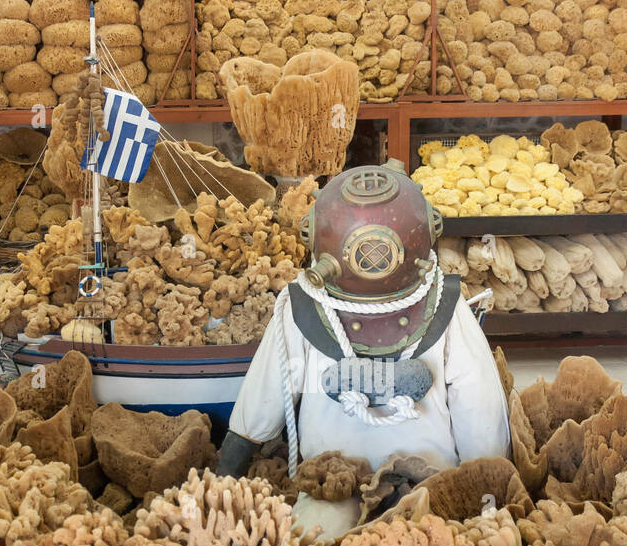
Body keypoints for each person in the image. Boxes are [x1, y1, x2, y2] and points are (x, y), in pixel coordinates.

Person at [217, 162, 510, 527]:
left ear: (311, 234)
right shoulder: (305, 305)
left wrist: (225, 473)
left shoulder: (440, 305)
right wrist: (488, 489)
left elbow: (264, 397)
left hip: (398, 479)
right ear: (430, 230)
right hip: (350, 479)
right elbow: (479, 411)